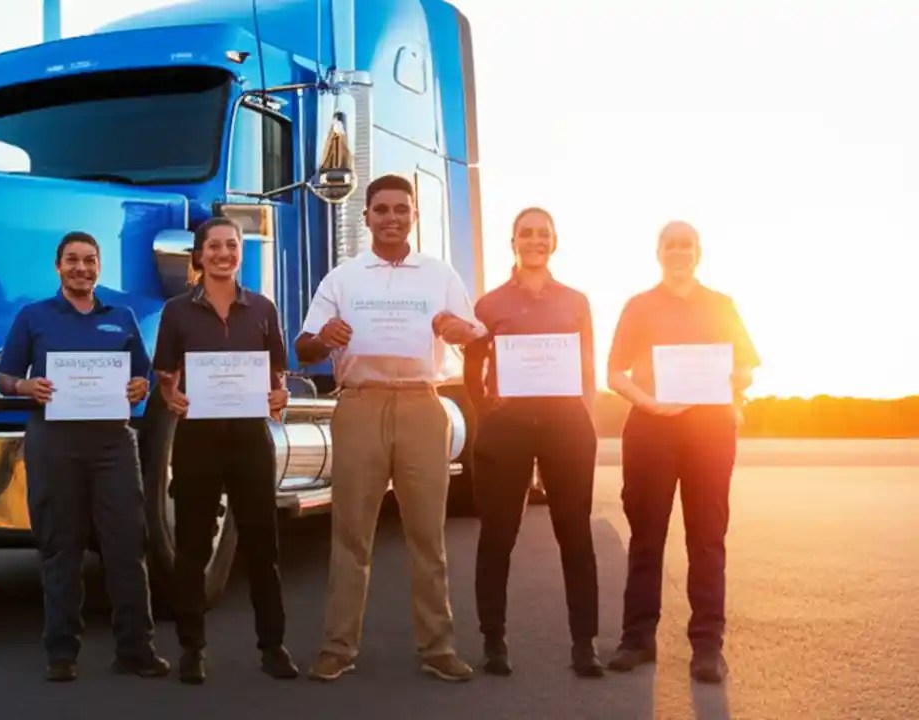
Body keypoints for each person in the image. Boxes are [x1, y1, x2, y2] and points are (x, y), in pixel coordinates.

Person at [296, 173, 486, 683]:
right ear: (367, 218)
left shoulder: (439, 274)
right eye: (381, 209)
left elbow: (473, 335)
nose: (391, 218)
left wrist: (459, 330)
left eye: (401, 209)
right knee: (351, 533)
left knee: (427, 534)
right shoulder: (344, 276)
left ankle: (438, 647)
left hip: (423, 405)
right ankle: (338, 647)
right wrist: (323, 339)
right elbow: (305, 346)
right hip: (360, 403)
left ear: (413, 216)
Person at [0, 231, 170, 682]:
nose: (81, 268)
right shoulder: (34, 317)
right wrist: (24, 387)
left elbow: (141, 376)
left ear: (99, 266)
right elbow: (4, 377)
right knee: (61, 546)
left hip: (112, 443)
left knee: (127, 545)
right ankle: (61, 653)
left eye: (89, 260)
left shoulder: (123, 317)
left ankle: (136, 649)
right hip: (54, 443)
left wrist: (139, 387)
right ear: (58, 267)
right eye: (72, 260)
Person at [604, 220, 760, 684]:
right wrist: (650, 403)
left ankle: (708, 646)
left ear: (698, 252)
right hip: (651, 429)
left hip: (710, 432)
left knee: (707, 538)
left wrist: (733, 387)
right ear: (658, 251)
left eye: (686, 245)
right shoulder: (638, 306)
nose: (678, 252)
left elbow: (746, 365)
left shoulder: (721, 305)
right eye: (670, 245)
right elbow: (615, 373)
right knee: (646, 536)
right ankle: (638, 639)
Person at [151, 216, 299, 685]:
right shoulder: (176, 311)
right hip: (197, 439)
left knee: (262, 546)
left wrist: (280, 396)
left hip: (250, 440)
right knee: (192, 547)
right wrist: (169, 396)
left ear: (240, 252)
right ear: (199, 254)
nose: (223, 253)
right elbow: (164, 375)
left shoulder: (262, 308)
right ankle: (192, 649)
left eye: (231, 245)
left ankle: (273, 646)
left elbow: (278, 374)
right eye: (213, 246)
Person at [462, 207, 604, 678]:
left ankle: (584, 644)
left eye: (543, 234)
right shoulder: (489, 304)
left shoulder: (576, 301)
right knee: (499, 534)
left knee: (575, 533)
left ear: (555, 242)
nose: (535, 240)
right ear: (513, 241)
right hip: (509, 426)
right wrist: (487, 412)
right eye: (526, 233)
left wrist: (586, 419)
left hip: (566, 423)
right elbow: (472, 368)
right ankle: (493, 641)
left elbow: (587, 366)